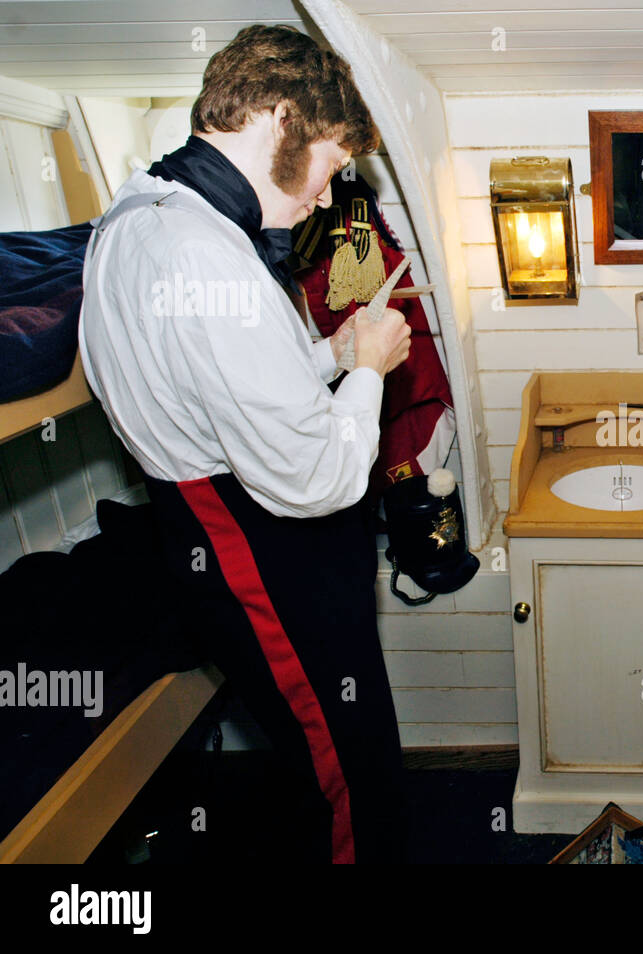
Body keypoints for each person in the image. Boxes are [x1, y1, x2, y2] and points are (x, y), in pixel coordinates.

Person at [78, 25, 412, 863]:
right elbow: (316, 477)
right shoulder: (207, 259)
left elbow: (223, 386)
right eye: (335, 166)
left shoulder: (142, 211)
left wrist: (330, 354)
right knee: (347, 771)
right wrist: (368, 371)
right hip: (261, 550)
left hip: (211, 521)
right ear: (280, 119)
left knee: (333, 753)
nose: (331, 198)